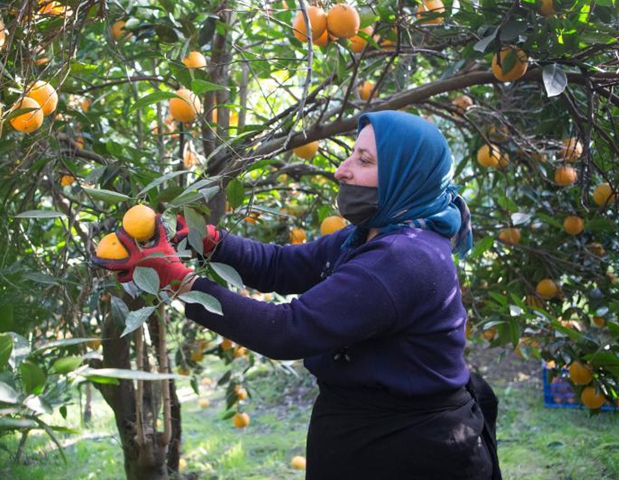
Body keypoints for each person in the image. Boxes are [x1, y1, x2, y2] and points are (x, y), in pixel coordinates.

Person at [93, 111, 500, 479]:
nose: (342, 170)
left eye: (364, 161)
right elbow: (281, 266)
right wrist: (207, 240)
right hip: (366, 433)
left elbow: (287, 331)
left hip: (411, 450)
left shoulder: (404, 257)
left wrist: (179, 281)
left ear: (405, 175)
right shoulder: (373, 234)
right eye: (350, 156)